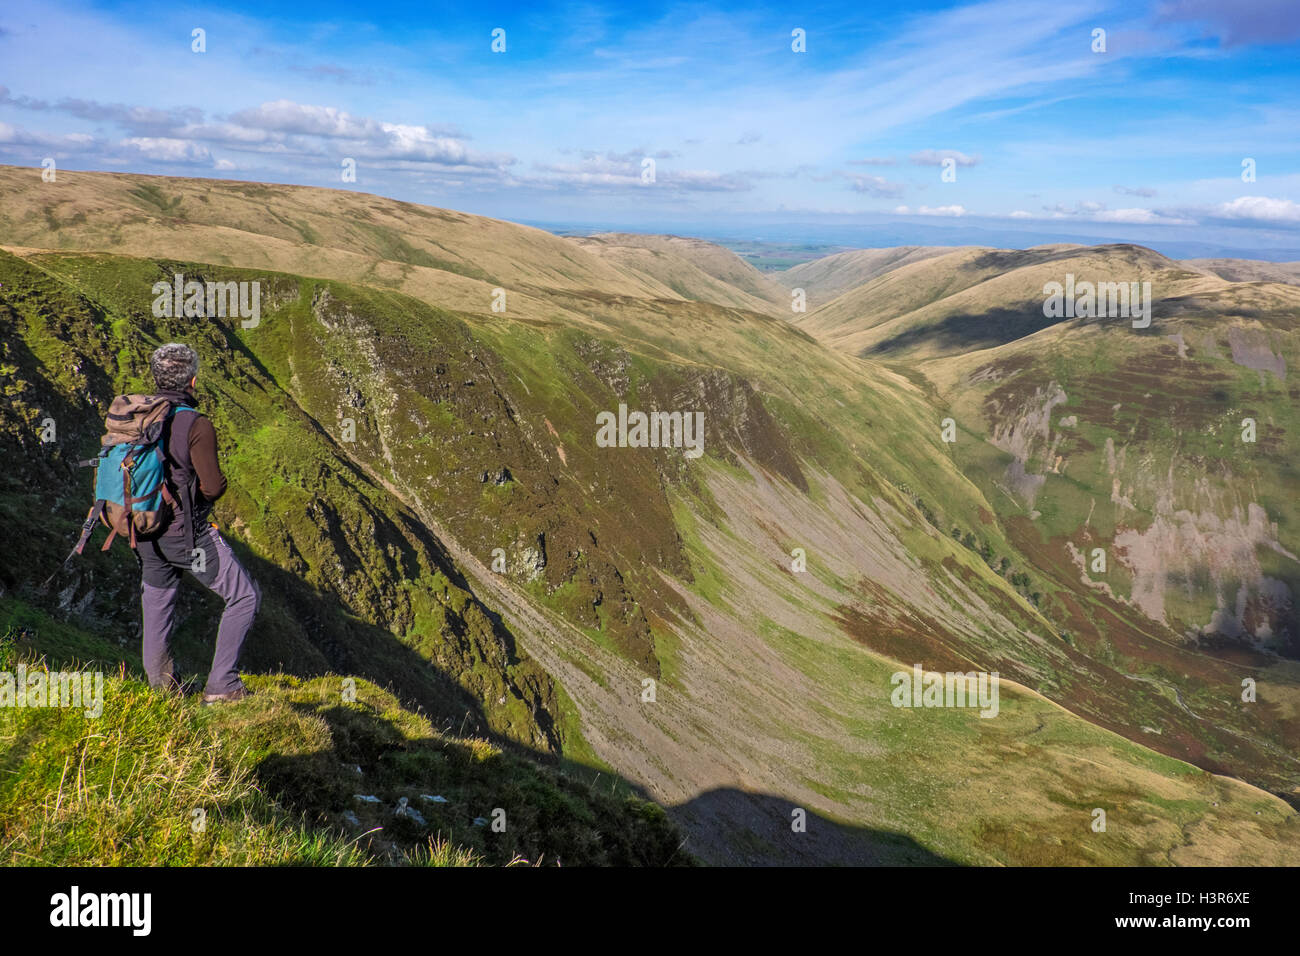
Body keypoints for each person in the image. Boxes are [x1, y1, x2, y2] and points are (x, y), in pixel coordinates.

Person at [136, 343, 260, 703]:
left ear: (157, 377)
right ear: (192, 379)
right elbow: (213, 486)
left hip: (144, 530)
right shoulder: (195, 423)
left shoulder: (138, 415)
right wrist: (194, 507)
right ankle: (223, 685)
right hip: (186, 536)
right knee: (244, 597)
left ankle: (161, 692)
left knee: (157, 605)